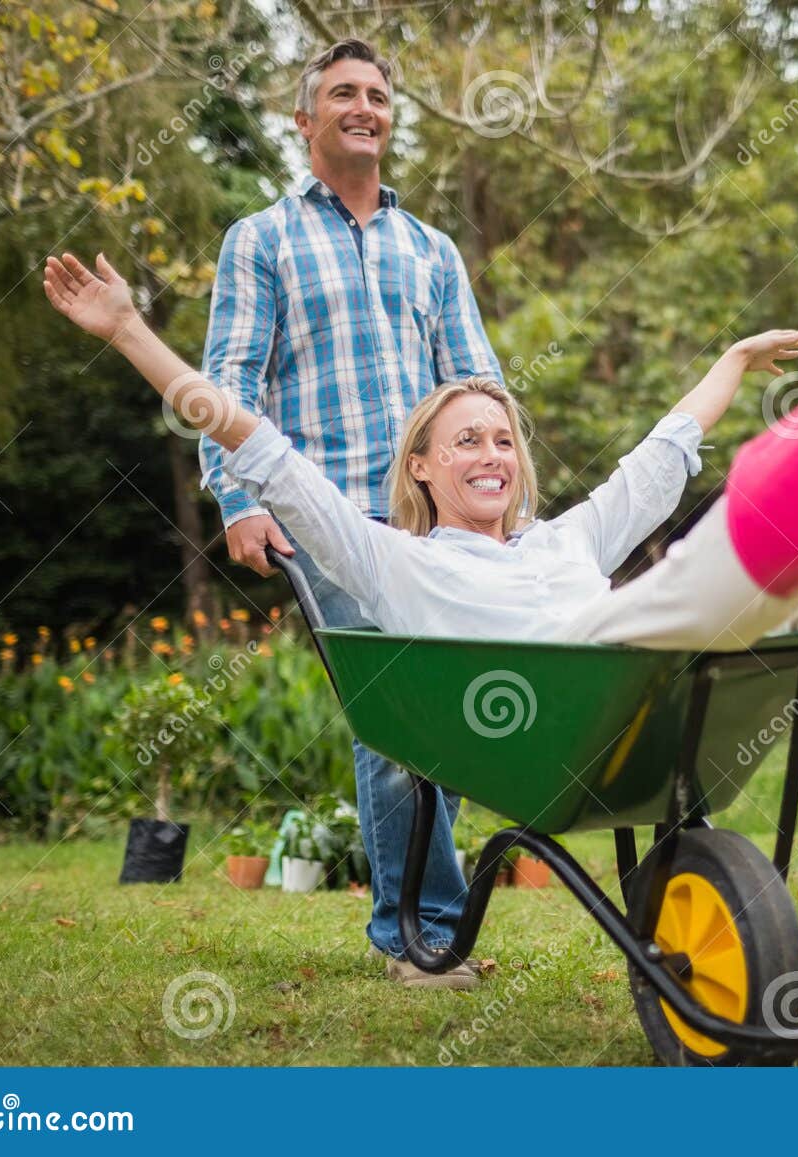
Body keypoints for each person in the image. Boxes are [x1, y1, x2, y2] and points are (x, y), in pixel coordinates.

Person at [43, 183, 798, 763]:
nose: (493, 450)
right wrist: (130, 335)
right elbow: (252, 436)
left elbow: (655, 469)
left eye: (504, 435)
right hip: (551, 716)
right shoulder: (385, 557)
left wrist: (727, 365)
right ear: (421, 471)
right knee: (665, 605)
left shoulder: (561, 543)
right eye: (466, 439)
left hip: (647, 684)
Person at [197, 39, 503, 988]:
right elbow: (228, 383)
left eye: (377, 94)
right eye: (342, 93)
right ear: (305, 120)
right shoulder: (263, 239)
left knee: (445, 709)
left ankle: (422, 919)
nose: (363, 106)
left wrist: (501, 494)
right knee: (396, 710)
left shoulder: (431, 250)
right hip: (327, 521)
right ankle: (418, 935)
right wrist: (240, 496)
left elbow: (474, 385)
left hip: (431, 521)